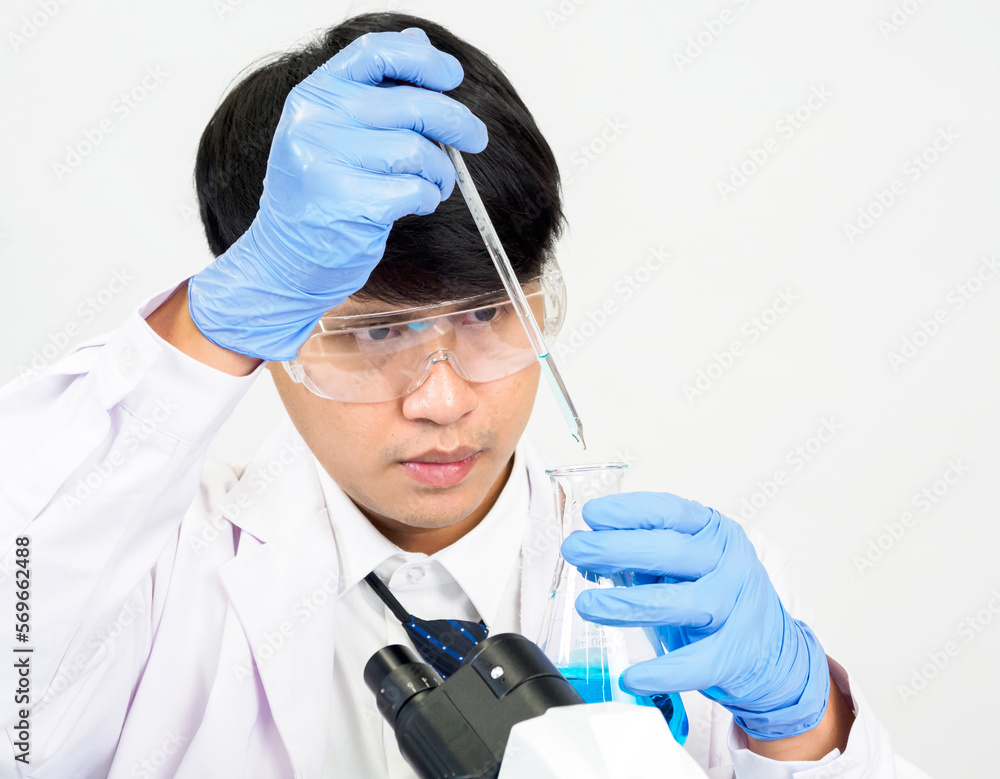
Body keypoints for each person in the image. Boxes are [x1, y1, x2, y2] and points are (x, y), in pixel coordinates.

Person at [0, 12, 929, 779]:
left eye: (486, 315)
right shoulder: (156, 574)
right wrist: (215, 318)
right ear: (277, 331)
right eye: (372, 332)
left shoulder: (680, 600)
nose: (442, 400)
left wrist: (804, 722)